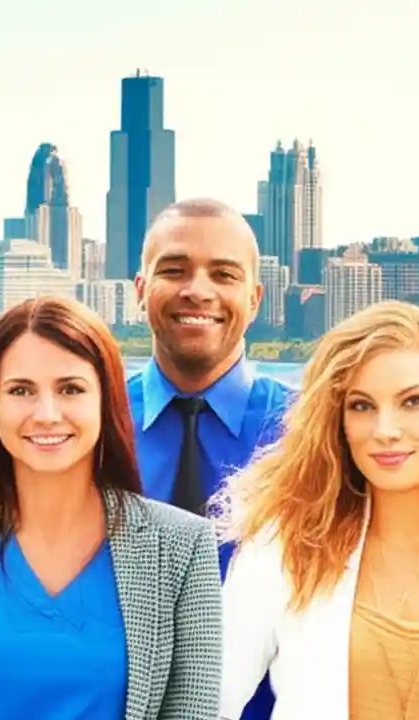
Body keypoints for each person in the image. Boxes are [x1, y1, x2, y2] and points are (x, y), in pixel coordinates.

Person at [0, 295, 222, 719]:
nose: (47, 413)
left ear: (106, 400)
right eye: (21, 391)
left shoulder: (181, 547)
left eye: (70, 389)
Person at [217, 300, 419, 720]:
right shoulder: (283, 547)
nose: (385, 430)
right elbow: (205, 702)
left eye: (413, 402)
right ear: (339, 422)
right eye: (362, 406)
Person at [130, 197, 291, 719]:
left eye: (224, 274)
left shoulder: (310, 430)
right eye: (173, 270)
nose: (198, 290)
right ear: (139, 290)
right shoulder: (90, 422)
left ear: (255, 297)